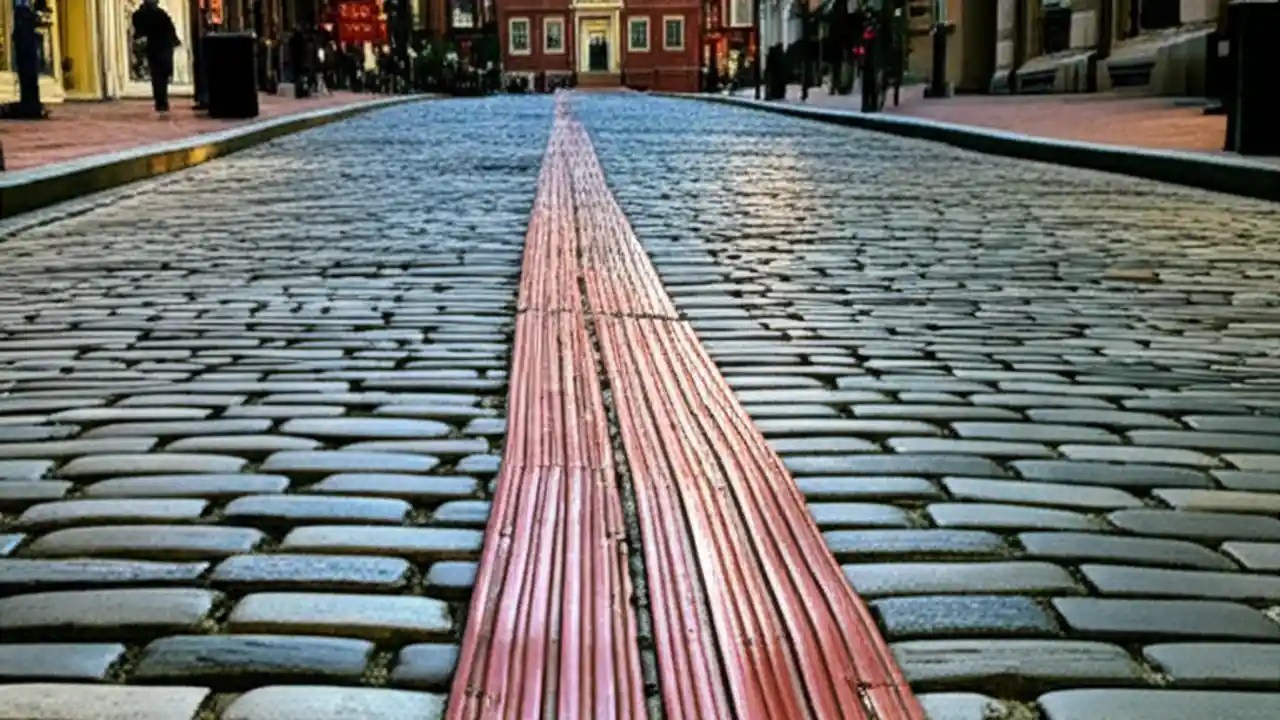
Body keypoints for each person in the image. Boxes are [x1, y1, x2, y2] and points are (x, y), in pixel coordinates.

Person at [131, 0, 181, 113]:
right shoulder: (157, 14)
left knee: (159, 75)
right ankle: (161, 101)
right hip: (159, 47)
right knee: (160, 74)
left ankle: (161, 101)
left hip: (158, 47)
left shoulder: (144, 14)